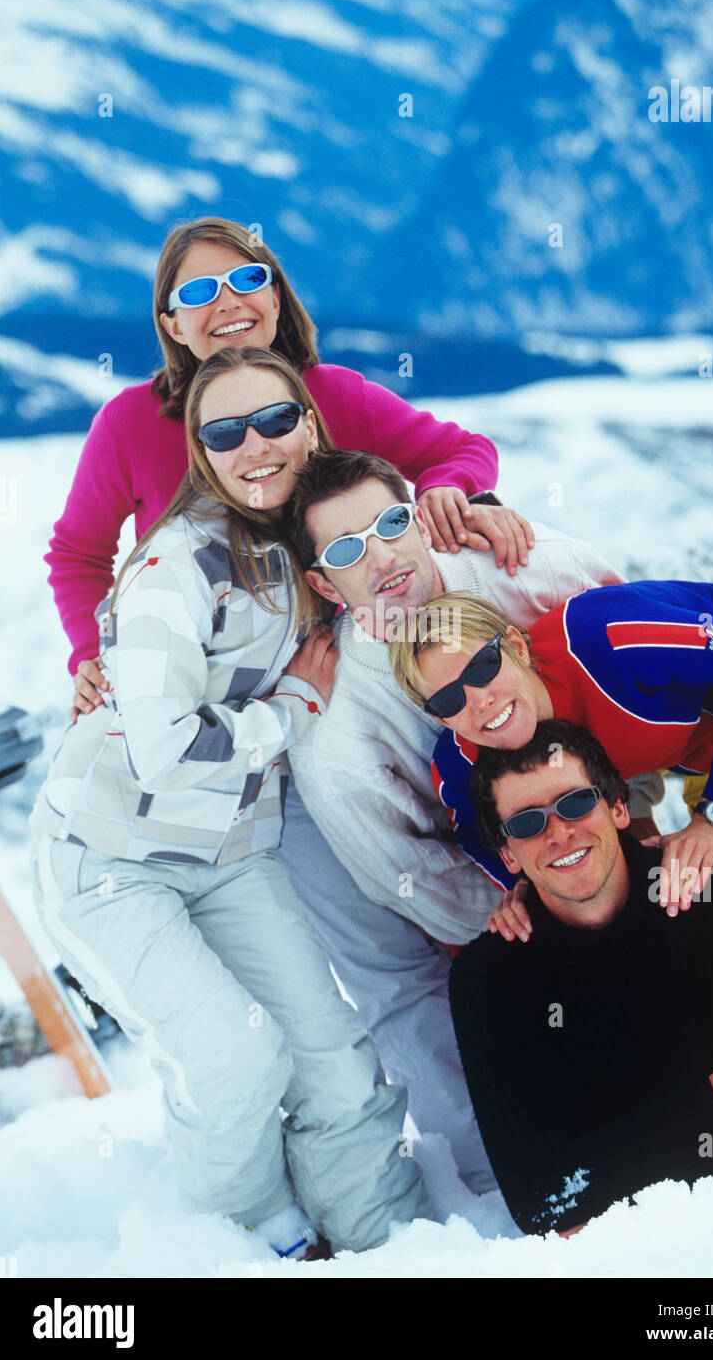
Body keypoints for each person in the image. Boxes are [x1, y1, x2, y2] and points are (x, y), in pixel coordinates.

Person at [43, 214, 530, 1194]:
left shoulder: (334, 397)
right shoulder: (139, 459)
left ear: (278, 293)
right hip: (240, 752)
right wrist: (93, 654)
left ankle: (507, 1128)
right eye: (196, 291)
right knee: (355, 970)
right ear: (169, 325)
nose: (225, 302)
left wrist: (454, 498)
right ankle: (447, 1168)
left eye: (245, 277)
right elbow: (80, 554)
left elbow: (454, 451)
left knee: (430, 927)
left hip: (351, 710)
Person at [30, 347, 428, 1259]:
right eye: (224, 431)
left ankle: (393, 1241)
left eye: (276, 421)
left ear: (311, 424)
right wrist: (285, 712)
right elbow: (166, 751)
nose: (256, 445)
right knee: (234, 1063)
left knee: (333, 1061)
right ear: (202, 454)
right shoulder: (177, 566)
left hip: (231, 853)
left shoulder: (315, 539)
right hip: (112, 860)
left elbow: (409, 524)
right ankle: (258, 1242)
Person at [282, 448, 664, 1187]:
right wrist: (542, 900)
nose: (383, 556)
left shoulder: (520, 560)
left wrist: (633, 827)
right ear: (323, 584)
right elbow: (409, 876)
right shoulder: (339, 744)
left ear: (420, 517)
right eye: (346, 550)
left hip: (620, 821)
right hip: (506, 900)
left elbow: (638, 655)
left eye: (392, 523)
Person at [448, 720, 713, 1236]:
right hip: (641, 1256)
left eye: (576, 802)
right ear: (509, 855)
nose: (558, 832)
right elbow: (543, 1199)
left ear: (619, 807)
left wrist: (620, 1150)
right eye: (526, 823)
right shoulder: (487, 980)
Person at [390, 583, 713, 998]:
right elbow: (476, 832)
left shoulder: (607, 640)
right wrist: (526, 887)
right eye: (448, 700)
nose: (478, 700)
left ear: (517, 647)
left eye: (483, 667)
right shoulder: (463, 765)